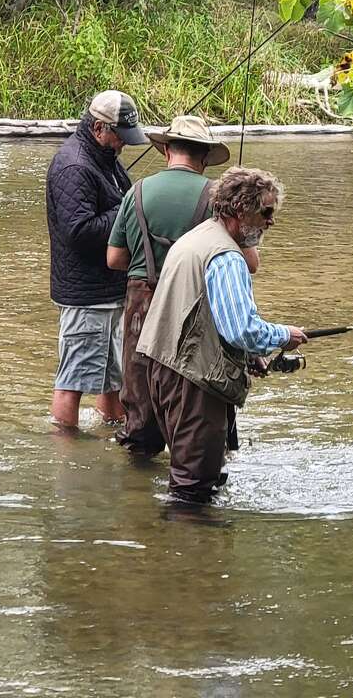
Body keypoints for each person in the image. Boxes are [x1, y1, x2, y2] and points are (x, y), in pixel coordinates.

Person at [134, 167, 307, 503]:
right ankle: (190, 550)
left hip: (161, 369)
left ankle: (165, 547)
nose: (271, 221)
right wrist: (283, 335)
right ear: (241, 209)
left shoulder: (196, 237)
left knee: (188, 478)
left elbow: (202, 315)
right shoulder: (227, 256)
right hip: (191, 383)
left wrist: (247, 356)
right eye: (266, 212)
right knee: (193, 490)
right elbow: (242, 328)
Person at [105, 115, 231, 456]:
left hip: (141, 312)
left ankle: (136, 492)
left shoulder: (137, 191)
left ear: (166, 152)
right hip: (195, 309)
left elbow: (114, 259)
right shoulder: (217, 197)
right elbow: (246, 263)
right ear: (204, 157)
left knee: (140, 410)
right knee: (196, 404)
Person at [46, 89, 148, 430]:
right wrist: (127, 210)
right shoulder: (74, 166)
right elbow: (79, 231)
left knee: (113, 377)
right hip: (86, 296)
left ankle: (112, 431)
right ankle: (66, 451)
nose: (124, 145)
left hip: (107, 290)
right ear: (99, 128)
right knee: (72, 379)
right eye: (120, 137)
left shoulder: (105, 160)